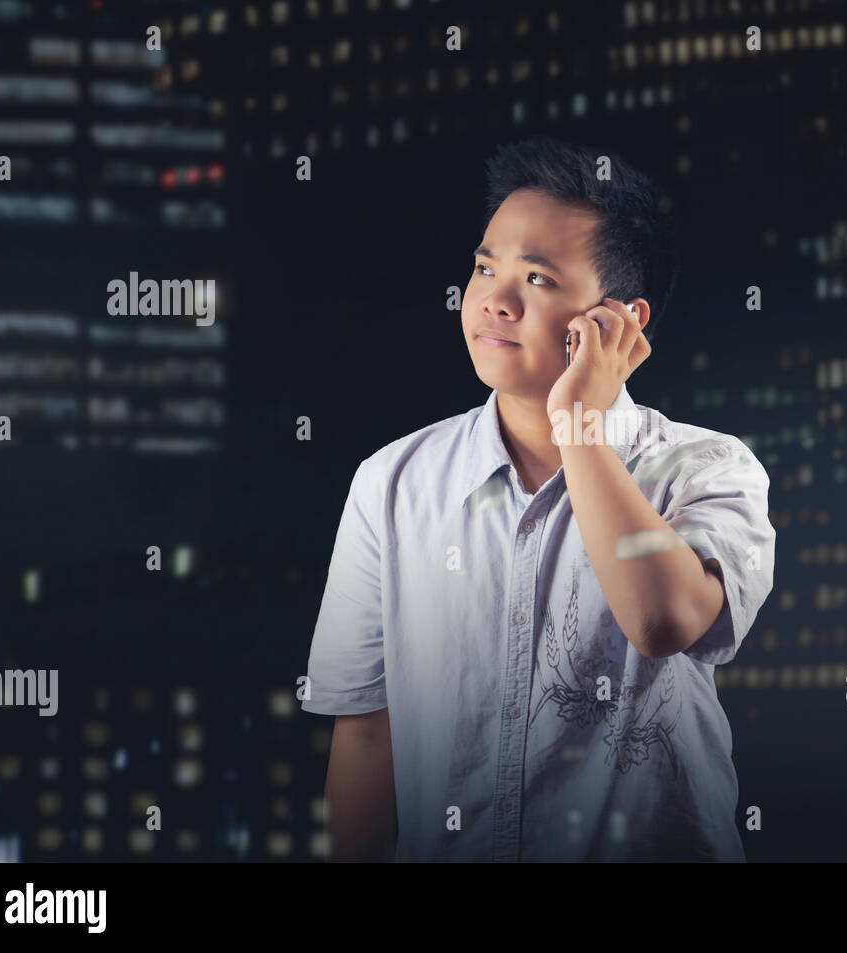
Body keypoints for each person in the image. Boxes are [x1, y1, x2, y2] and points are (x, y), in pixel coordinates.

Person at [302, 134, 775, 861]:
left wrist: (580, 421)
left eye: (538, 279)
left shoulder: (705, 467)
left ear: (621, 321)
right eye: (486, 265)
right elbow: (366, 732)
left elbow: (660, 617)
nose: (493, 299)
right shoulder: (393, 482)